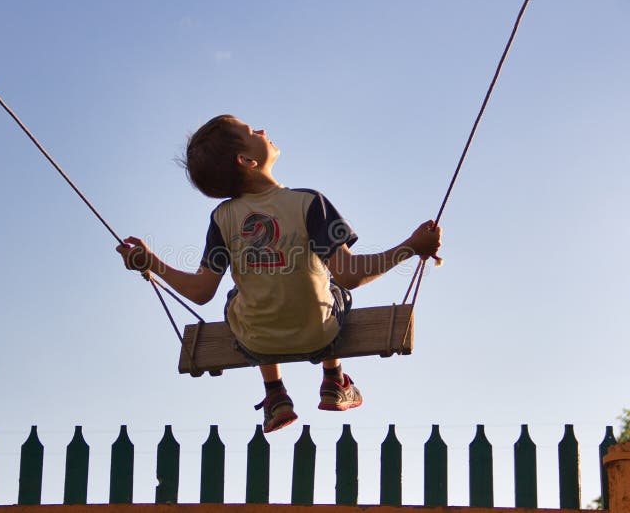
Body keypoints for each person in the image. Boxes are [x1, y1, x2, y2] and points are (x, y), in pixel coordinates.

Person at [117, 114, 442, 432]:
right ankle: (334, 380)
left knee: (238, 296)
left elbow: (201, 292)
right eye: (251, 130)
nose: (261, 129)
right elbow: (351, 275)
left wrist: (152, 263)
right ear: (246, 160)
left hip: (256, 343)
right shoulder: (309, 202)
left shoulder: (222, 217)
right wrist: (413, 246)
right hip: (319, 335)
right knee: (332, 286)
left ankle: (276, 395)